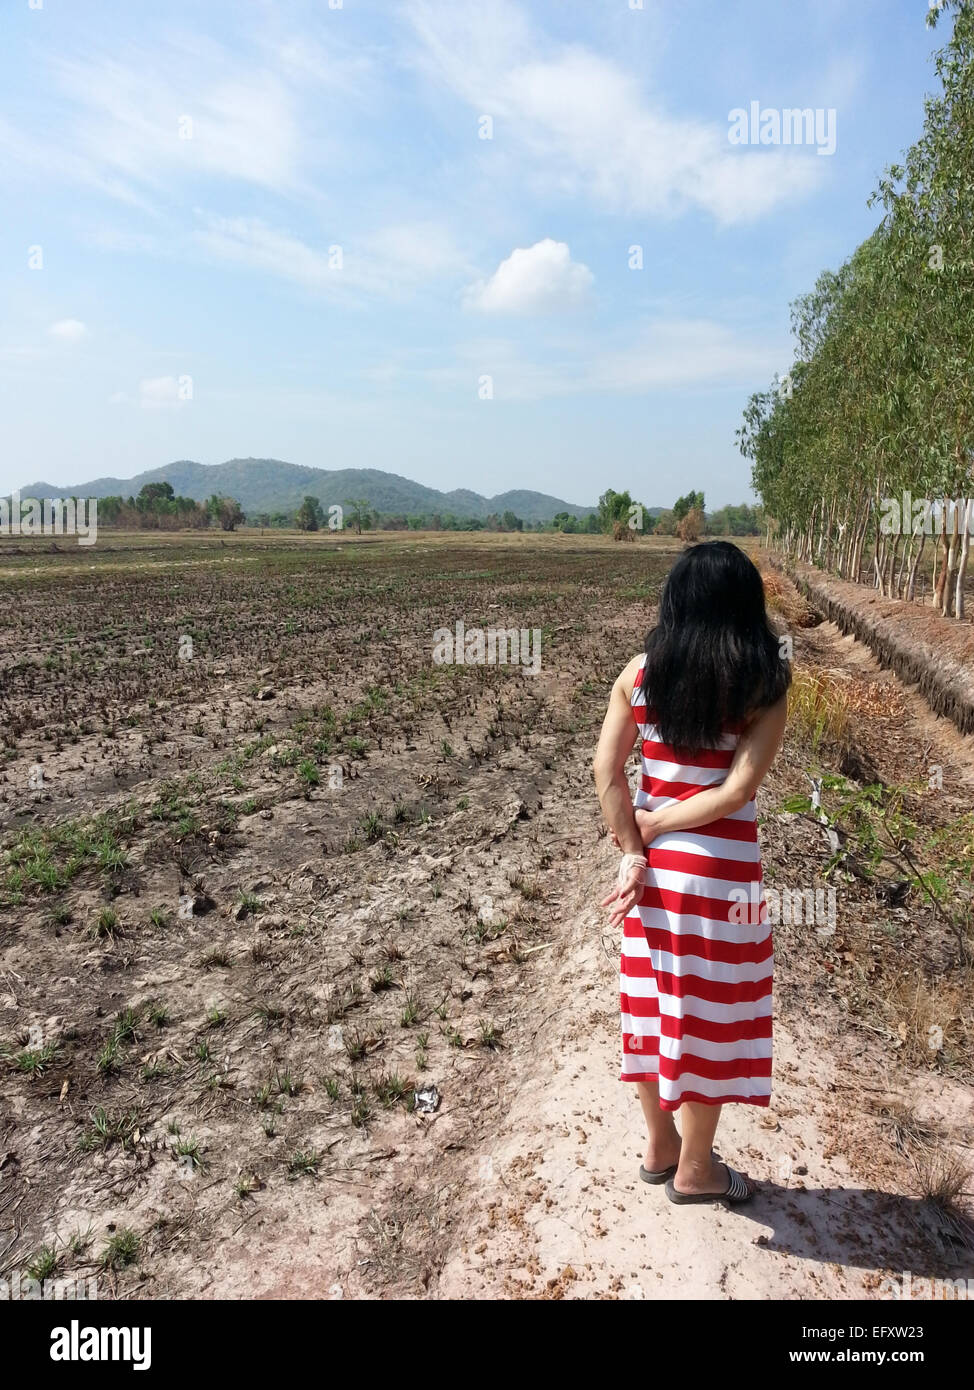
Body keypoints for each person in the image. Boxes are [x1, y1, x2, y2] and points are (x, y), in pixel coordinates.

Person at [593, 541, 789, 1206]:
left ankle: (660, 1144)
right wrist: (666, 826)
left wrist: (634, 844)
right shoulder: (762, 685)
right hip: (720, 882)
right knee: (707, 1018)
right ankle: (697, 1169)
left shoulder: (639, 676)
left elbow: (604, 771)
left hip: (650, 881)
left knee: (652, 1007)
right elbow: (736, 793)